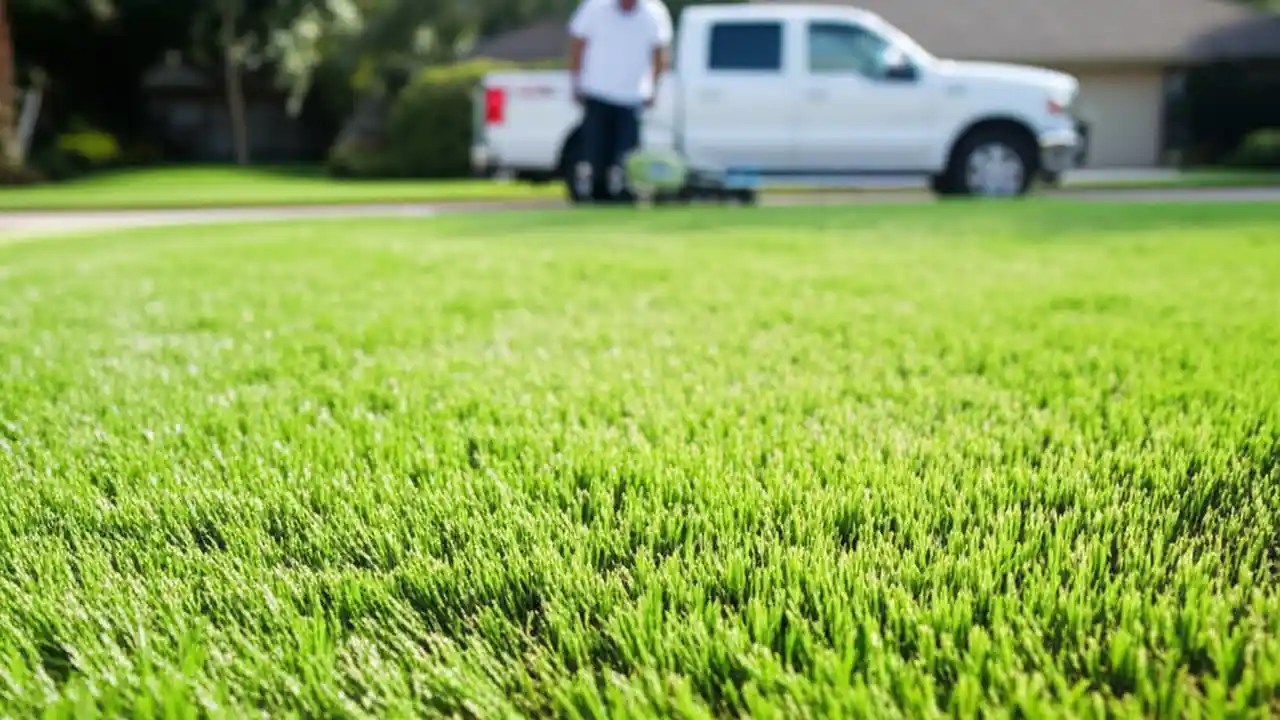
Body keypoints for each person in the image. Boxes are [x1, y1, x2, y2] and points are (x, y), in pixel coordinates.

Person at [568, 0, 673, 203]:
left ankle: (625, 193)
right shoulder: (594, 7)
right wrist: (575, 81)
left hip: (632, 95)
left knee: (627, 153)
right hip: (597, 90)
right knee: (596, 149)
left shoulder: (654, 11)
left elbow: (660, 51)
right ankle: (596, 192)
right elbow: (577, 43)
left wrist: (654, 87)